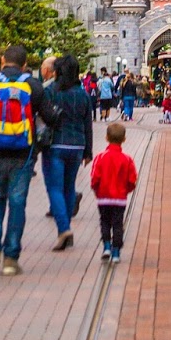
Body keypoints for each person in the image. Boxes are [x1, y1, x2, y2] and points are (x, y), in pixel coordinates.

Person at [0, 44, 59, 277]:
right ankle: (11, 258)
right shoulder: (33, 86)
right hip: (23, 155)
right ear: (25, 64)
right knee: (17, 203)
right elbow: (50, 118)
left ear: (3, 60)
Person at [44, 55, 94, 252]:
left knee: (54, 188)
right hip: (77, 146)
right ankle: (64, 229)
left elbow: (44, 118)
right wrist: (88, 151)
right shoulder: (83, 95)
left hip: (55, 145)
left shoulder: (51, 92)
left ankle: (64, 229)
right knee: (68, 187)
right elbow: (87, 125)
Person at [90, 121, 138, 262]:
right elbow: (132, 180)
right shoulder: (127, 159)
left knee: (104, 222)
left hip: (103, 197)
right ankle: (116, 251)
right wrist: (125, 191)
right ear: (124, 139)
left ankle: (106, 246)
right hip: (119, 198)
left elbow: (95, 178)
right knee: (118, 224)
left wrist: (97, 191)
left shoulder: (100, 157)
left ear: (106, 138)